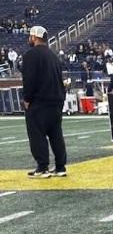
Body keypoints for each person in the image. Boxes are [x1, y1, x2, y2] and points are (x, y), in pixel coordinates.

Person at [20, 25, 68, 178]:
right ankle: (60, 167)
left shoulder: (31, 55)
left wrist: (27, 98)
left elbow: (29, 79)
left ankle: (42, 167)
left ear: (34, 37)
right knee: (56, 134)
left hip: (39, 102)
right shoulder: (53, 55)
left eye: (30, 36)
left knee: (37, 134)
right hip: (56, 101)